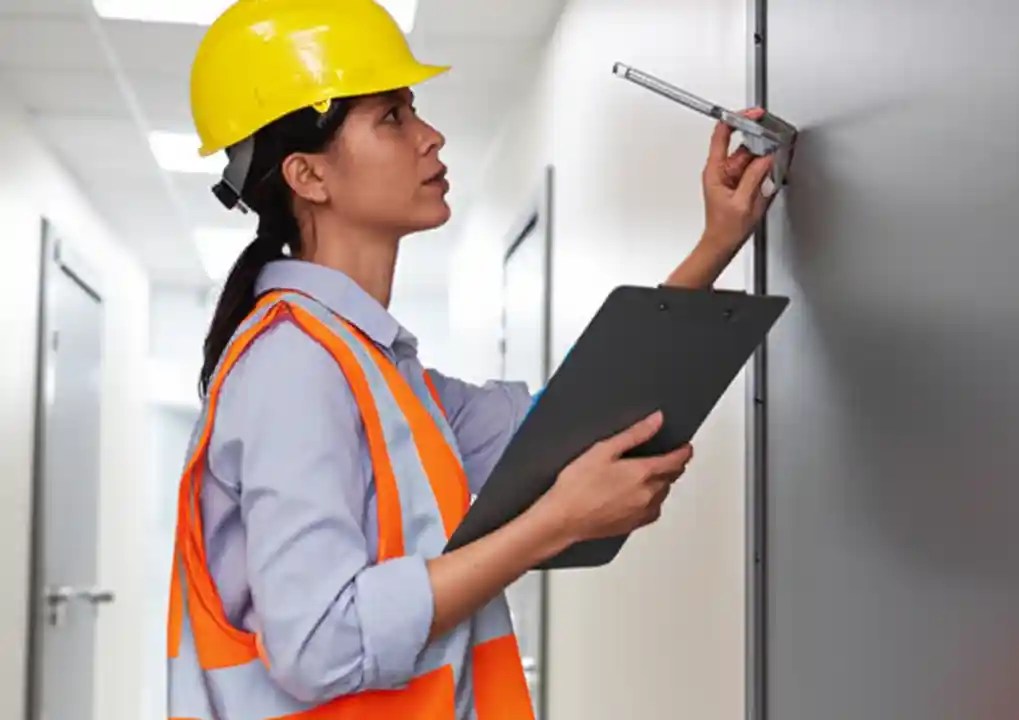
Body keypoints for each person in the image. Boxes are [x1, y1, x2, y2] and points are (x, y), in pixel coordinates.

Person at [166, 1, 779, 718]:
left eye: (413, 109)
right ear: (308, 175)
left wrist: (716, 242)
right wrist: (554, 524)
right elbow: (319, 645)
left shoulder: (381, 372)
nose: (431, 137)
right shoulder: (292, 365)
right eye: (392, 117)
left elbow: (576, 420)